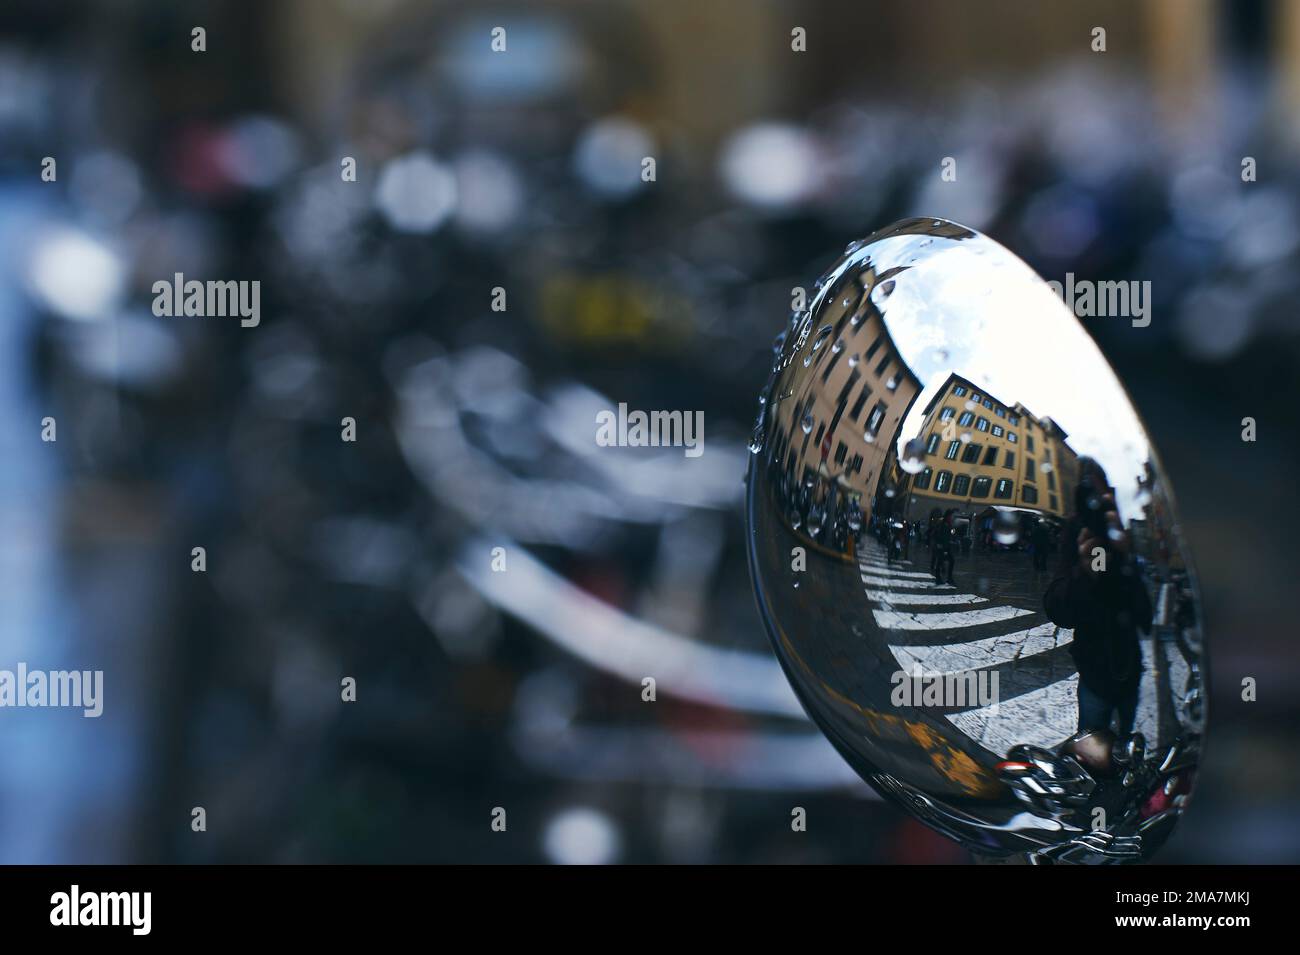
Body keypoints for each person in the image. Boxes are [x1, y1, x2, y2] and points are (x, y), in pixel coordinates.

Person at [1043, 458, 1152, 737]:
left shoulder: (1123, 530)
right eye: (1087, 491)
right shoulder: (1076, 533)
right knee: (1091, 750)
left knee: (1126, 745)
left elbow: (1146, 617)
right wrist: (1085, 572)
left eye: (1100, 494)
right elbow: (1058, 611)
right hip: (1094, 675)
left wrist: (1125, 556)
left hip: (1128, 669)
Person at [930, 508, 956, 585]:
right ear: (948, 516)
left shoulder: (947, 523)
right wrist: (944, 548)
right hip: (942, 547)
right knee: (942, 561)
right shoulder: (944, 524)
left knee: (944, 561)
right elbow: (943, 537)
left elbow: (948, 535)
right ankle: (942, 578)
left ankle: (945, 578)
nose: (952, 517)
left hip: (944, 546)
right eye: (951, 516)